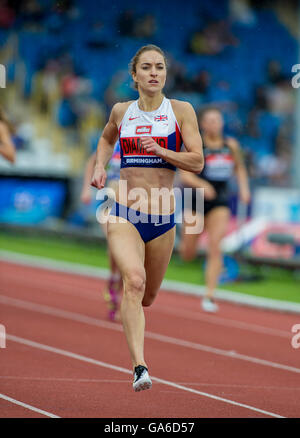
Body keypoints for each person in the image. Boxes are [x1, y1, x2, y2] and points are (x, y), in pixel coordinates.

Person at [91, 45, 204, 392]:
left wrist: (162, 151)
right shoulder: (121, 111)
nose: (154, 73)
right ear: (134, 76)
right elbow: (107, 136)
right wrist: (99, 165)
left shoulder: (181, 111)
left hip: (162, 217)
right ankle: (140, 367)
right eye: (147, 67)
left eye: (160, 67)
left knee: (147, 297)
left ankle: (133, 315)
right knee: (134, 281)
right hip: (124, 210)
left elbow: (198, 161)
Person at [179, 106, 250, 312]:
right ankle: (186, 246)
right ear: (202, 124)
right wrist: (203, 185)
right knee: (188, 253)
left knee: (215, 246)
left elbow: (240, 169)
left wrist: (244, 189)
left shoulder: (231, 145)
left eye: (217, 120)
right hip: (196, 201)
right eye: (209, 120)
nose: (214, 124)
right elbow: (185, 175)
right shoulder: (195, 146)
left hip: (220, 200)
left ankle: (209, 295)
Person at [80, 142, 122, 321]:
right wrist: (86, 190)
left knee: (127, 256)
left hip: (135, 204)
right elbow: (92, 162)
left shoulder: (144, 142)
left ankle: (119, 294)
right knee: (116, 247)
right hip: (109, 204)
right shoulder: (114, 142)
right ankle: (114, 278)